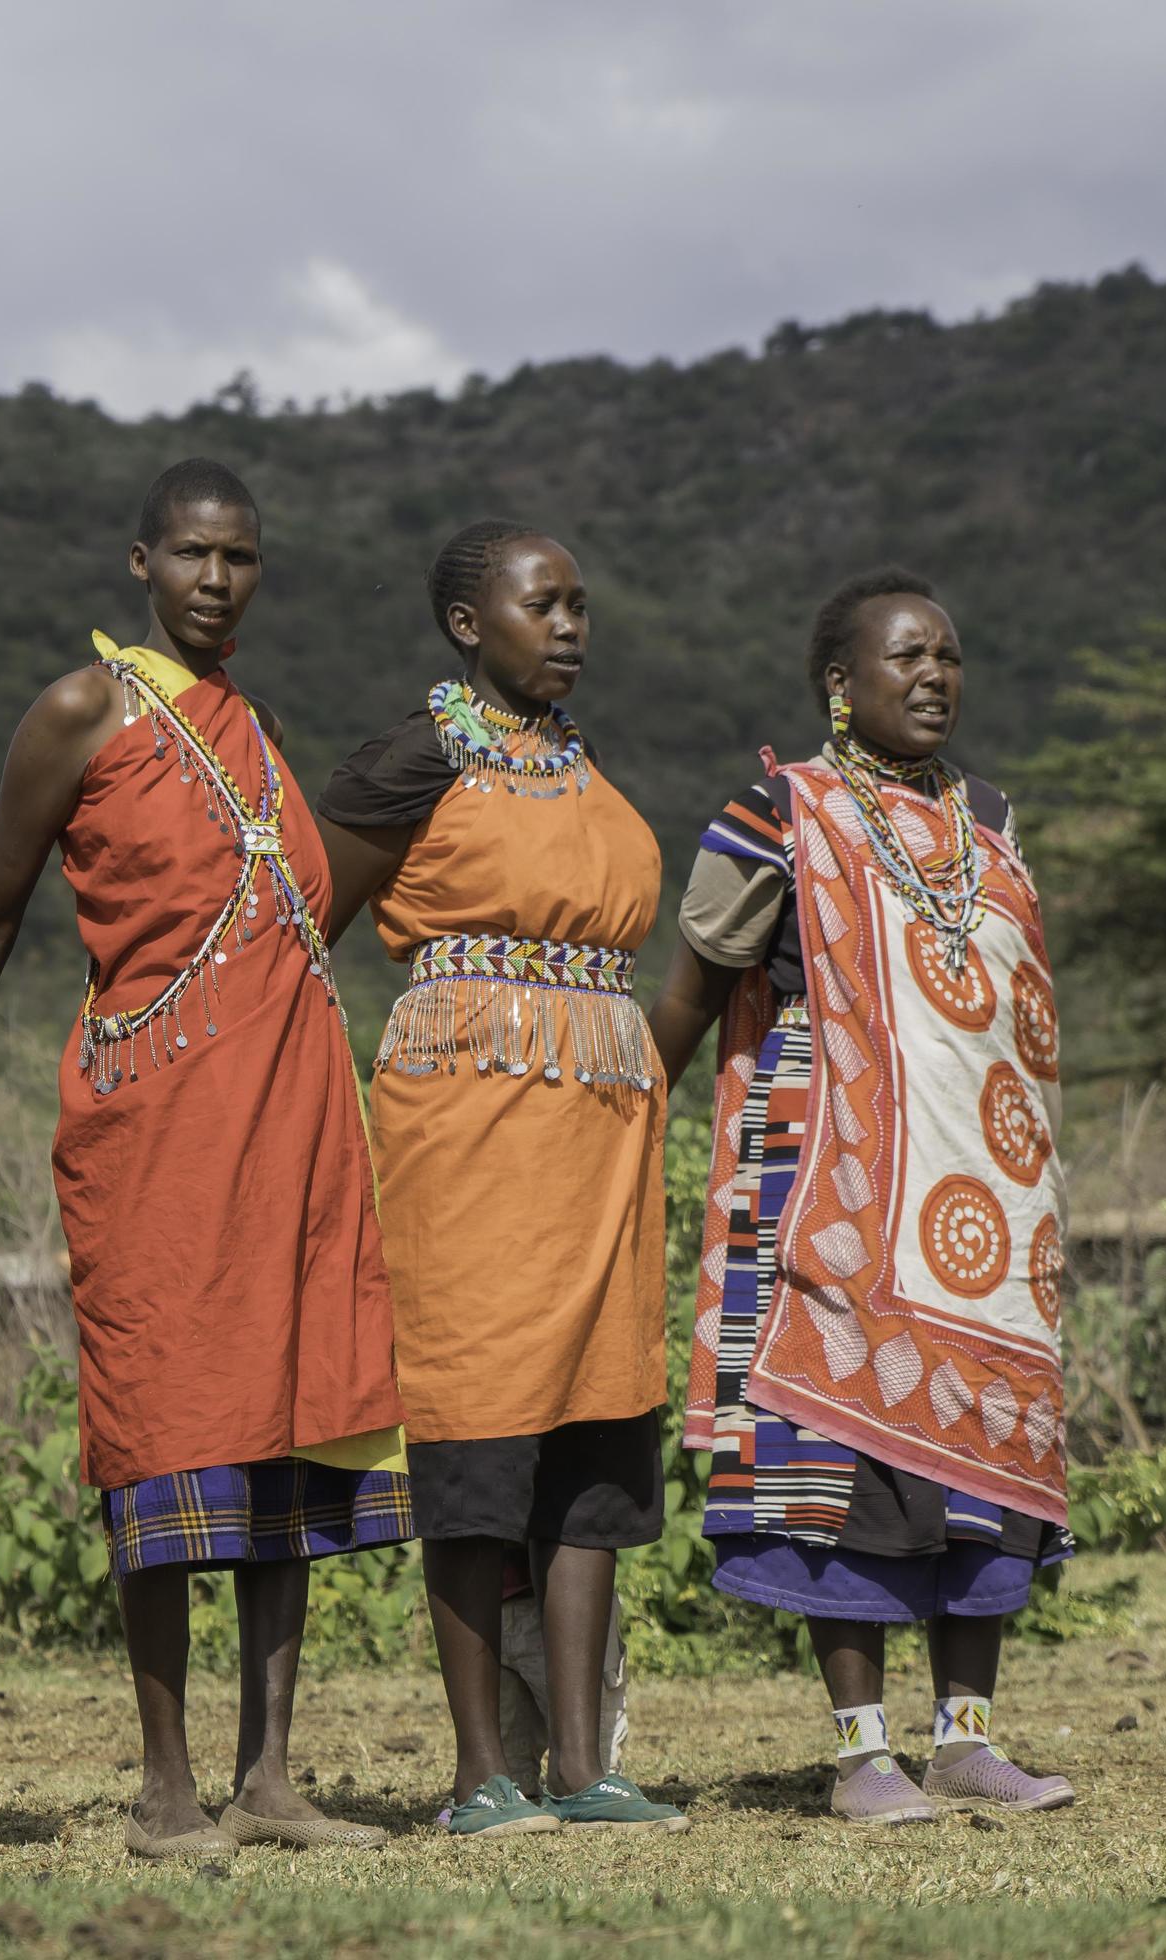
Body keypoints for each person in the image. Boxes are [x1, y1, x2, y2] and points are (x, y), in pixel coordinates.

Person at [0, 458, 405, 1859]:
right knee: (156, 1429)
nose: (219, 580)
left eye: (242, 559)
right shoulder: (80, 712)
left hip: (286, 1122)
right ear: (137, 562)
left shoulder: (255, 730)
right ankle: (163, 1789)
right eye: (195, 555)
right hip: (150, 1128)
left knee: (283, 1422)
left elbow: (285, 916)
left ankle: (268, 1779)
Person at [646, 567, 1078, 1824]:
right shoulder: (778, 810)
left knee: (982, 1453)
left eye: (946, 654)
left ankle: (964, 1739)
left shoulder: (990, 816)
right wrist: (624, 1114)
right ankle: (858, 1754)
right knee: (842, 1458)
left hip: (984, 1200)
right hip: (832, 1186)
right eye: (904, 657)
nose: (934, 674)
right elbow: (693, 980)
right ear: (839, 681)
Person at [314, 521, 684, 1838]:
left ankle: (583, 1765)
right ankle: (480, 1771)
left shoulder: (582, 768)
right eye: (544, 604)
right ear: (471, 626)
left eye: (581, 603)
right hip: (464, 1150)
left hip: (597, 1155)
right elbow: (305, 925)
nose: (571, 624)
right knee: (476, 1443)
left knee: (589, 1447)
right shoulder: (415, 763)